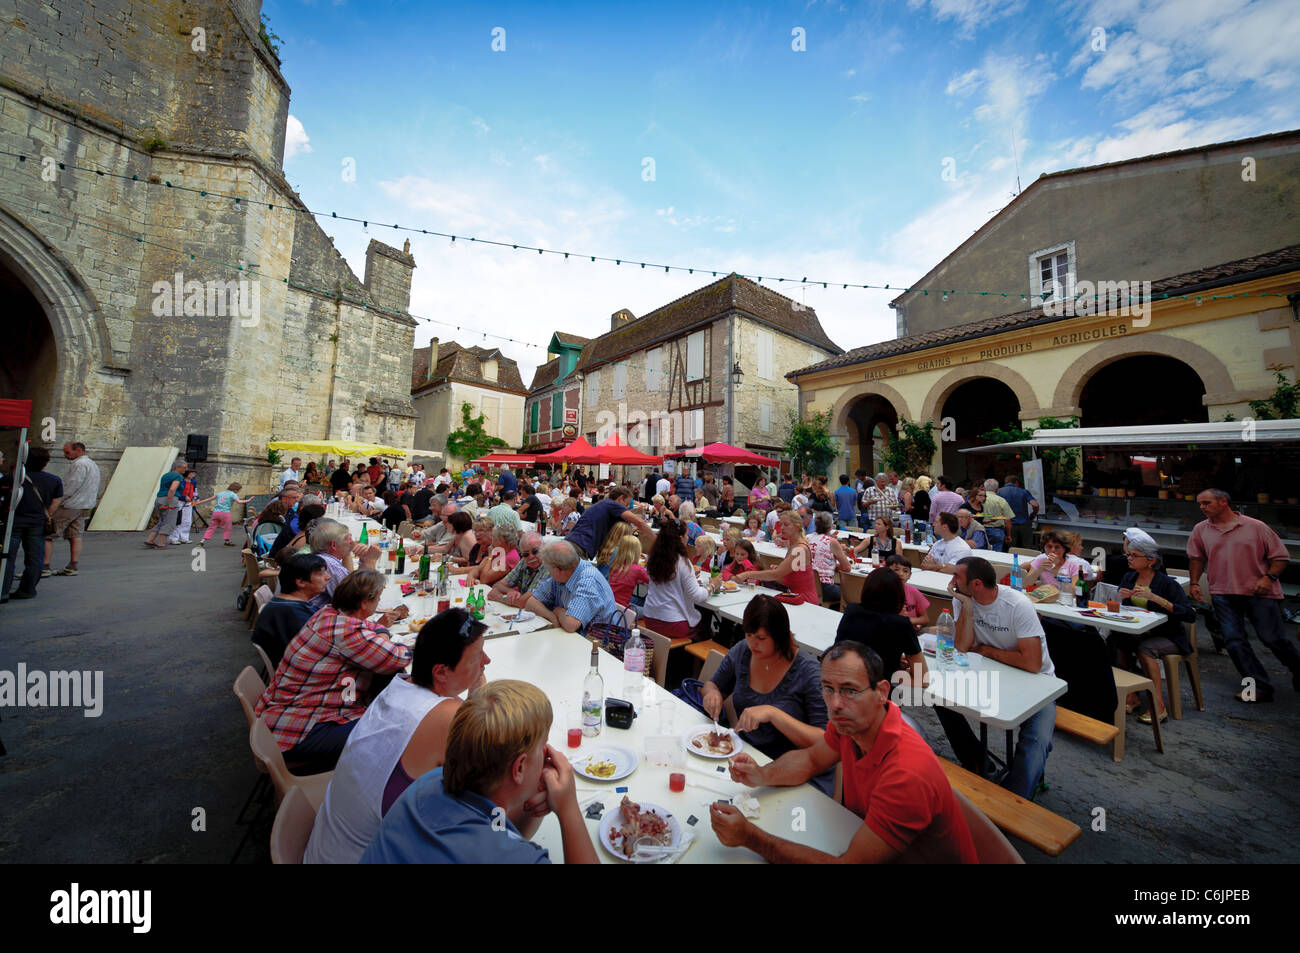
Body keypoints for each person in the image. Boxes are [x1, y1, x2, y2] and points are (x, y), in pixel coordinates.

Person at [710, 641, 977, 863]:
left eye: (850, 690)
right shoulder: (851, 726)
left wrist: (752, 838)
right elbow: (811, 759)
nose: (835, 704)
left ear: (882, 692)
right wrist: (760, 775)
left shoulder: (907, 773)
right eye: (828, 689)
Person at [306, 608, 491, 864]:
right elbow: (494, 801)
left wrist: (472, 685)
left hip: (329, 848)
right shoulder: (446, 718)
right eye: (477, 658)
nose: (487, 661)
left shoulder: (401, 685)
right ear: (440, 672)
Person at [361, 679, 598, 864]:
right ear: (519, 767)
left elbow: (499, 830)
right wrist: (568, 809)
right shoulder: (520, 859)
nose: (548, 753)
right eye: (543, 745)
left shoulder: (429, 784)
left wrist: (531, 805)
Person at [256, 569, 411, 773]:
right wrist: (388, 637)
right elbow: (398, 657)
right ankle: (374, 788)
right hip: (298, 732)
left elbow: (366, 631)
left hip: (284, 714)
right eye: (378, 598)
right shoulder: (348, 633)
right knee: (397, 731)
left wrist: (379, 631)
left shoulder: (328, 613)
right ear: (365, 603)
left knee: (385, 701)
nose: (379, 603)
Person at [937, 556, 1056, 798]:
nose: (952, 582)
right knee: (940, 699)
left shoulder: (1017, 605)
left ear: (977, 584)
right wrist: (967, 609)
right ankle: (979, 764)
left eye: (957, 577)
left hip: (1039, 683)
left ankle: (1013, 803)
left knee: (1036, 739)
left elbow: (1032, 664)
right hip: (989, 673)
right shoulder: (964, 599)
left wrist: (988, 651)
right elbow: (961, 647)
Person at [702, 595, 833, 795]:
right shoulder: (743, 651)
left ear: (780, 636)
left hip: (793, 774)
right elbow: (712, 684)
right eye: (748, 635)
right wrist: (712, 694)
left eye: (761, 638)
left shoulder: (808, 672)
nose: (753, 644)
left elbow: (825, 742)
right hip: (748, 758)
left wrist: (774, 714)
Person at [1188, 489, 1299, 703]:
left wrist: (1268, 578)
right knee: (1234, 642)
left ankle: (1298, 669)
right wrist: (1194, 582)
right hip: (1223, 593)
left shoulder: (1256, 527)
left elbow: (1281, 557)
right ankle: (1258, 686)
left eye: (1206, 502)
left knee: (1273, 639)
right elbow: (1196, 558)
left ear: (1223, 502)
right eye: (1200, 503)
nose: (1202, 507)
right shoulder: (1200, 529)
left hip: (1260, 593)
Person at [1115, 530, 1196, 723]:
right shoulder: (1129, 577)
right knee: (1117, 641)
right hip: (1140, 631)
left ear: (1151, 560)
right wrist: (1121, 597)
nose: (1129, 559)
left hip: (1169, 636)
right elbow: (1124, 605)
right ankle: (1131, 695)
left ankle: (1158, 705)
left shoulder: (1167, 584)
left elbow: (1190, 615)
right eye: (1129, 555)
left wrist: (1158, 599)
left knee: (1146, 649)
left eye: (1135, 556)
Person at [836, 566, 927, 687]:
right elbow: (922, 679)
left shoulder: (851, 610)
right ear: (899, 595)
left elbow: (866, 644)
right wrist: (894, 672)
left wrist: (891, 658)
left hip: (845, 685)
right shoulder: (901, 624)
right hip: (876, 696)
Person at [524, 540, 623, 634]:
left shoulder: (588, 580)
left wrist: (557, 610)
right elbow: (530, 603)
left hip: (601, 645)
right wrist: (552, 617)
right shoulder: (563, 574)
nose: (548, 572)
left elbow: (571, 624)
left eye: (548, 569)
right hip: (576, 639)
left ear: (557, 570)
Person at [3, 446, 62, 601]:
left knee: (7, 557)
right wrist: (47, 515)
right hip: (37, 522)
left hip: (13, 522)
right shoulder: (54, 480)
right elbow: (56, 501)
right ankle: (27, 589)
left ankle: (3, 590)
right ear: (45, 463)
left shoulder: (12, 478)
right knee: (35, 558)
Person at [253, 553, 330, 667]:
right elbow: (322, 649)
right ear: (301, 582)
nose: (328, 577)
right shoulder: (292, 614)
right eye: (320, 574)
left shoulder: (285, 605)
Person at [641, 519, 714, 638]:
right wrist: (712, 586)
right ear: (680, 538)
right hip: (672, 623)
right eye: (686, 535)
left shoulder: (653, 558)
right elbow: (696, 596)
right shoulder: (682, 562)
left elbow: (651, 583)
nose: (687, 538)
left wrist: (683, 581)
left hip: (650, 618)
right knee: (706, 629)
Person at [732, 510, 819, 603]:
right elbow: (796, 573)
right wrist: (782, 569)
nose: (782, 528)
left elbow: (776, 575)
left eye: (786, 525)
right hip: (793, 596)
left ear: (797, 526)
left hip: (804, 600)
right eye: (780, 524)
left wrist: (747, 574)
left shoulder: (799, 549)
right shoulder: (793, 545)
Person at [41, 441, 101, 577]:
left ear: (78, 450)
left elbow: (71, 486)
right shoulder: (92, 464)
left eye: (67, 452)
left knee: (47, 534)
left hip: (71, 505)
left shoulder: (79, 464)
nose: (65, 455)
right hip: (85, 504)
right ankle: (73, 565)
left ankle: (45, 566)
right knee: (75, 535)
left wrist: (57, 500)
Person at [562, 485, 651, 561]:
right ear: (620, 499)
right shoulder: (613, 505)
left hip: (571, 543)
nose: (626, 508)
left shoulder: (604, 505)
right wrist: (656, 542)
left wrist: (635, 510)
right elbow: (639, 522)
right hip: (579, 547)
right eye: (627, 504)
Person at [308, 519, 382, 606]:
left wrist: (363, 560)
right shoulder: (329, 564)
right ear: (334, 545)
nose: (352, 542)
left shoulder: (323, 559)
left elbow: (353, 583)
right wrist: (371, 560)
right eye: (348, 539)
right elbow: (360, 600)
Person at [488, 532, 552, 608]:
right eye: (526, 554)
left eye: (535, 551)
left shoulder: (548, 565)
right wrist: (511, 591)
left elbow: (524, 602)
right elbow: (498, 585)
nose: (531, 557)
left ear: (544, 548)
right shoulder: (524, 562)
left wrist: (499, 597)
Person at [807, 511, 851, 605]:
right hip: (824, 586)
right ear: (830, 527)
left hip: (808, 583)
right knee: (849, 595)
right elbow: (847, 567)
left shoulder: (807, 538)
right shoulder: (832, 542)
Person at [143, 459, 186, 550]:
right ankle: (161, 543)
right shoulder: (178, 476)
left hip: (159, 499)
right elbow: (172, 489)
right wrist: (168, 502)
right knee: (169, 522)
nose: (185, 470)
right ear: (177, 467)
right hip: (169, 499)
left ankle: (150, 540)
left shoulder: (166, 475)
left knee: (162, 521)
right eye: (184, 467)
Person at [887, 555, 933, 629]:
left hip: (910, 632)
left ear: (909, 575)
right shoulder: (881, 591)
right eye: (896, 570)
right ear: (886, 571)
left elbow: (925, 619)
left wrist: (908, 620)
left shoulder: (913, 592)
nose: (901, 574)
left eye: (905, 571)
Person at [997, 475, 1039, 550]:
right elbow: (1035, 505)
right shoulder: (1024, 491)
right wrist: (1033, 515)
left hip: (1008, 526)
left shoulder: (999, 491)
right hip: (1025, 525)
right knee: (1027, 550)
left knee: (1011, 550)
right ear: (1016, 482)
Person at [607, 536, 649, 608]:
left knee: (639, 600)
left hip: (610, 603)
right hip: (622, 610)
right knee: (646, 608)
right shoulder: (638, 570)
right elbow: (653, 582)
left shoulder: (614, 564)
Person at [976, 480, 1014, 552]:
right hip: (997, 530)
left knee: (981, 553)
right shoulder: (1001, 500)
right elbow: (1007, 520)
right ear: (997, 489)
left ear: (984, 487)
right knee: (996, 554)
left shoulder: (977, 499)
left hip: (980, 530)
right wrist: (1008, 535)